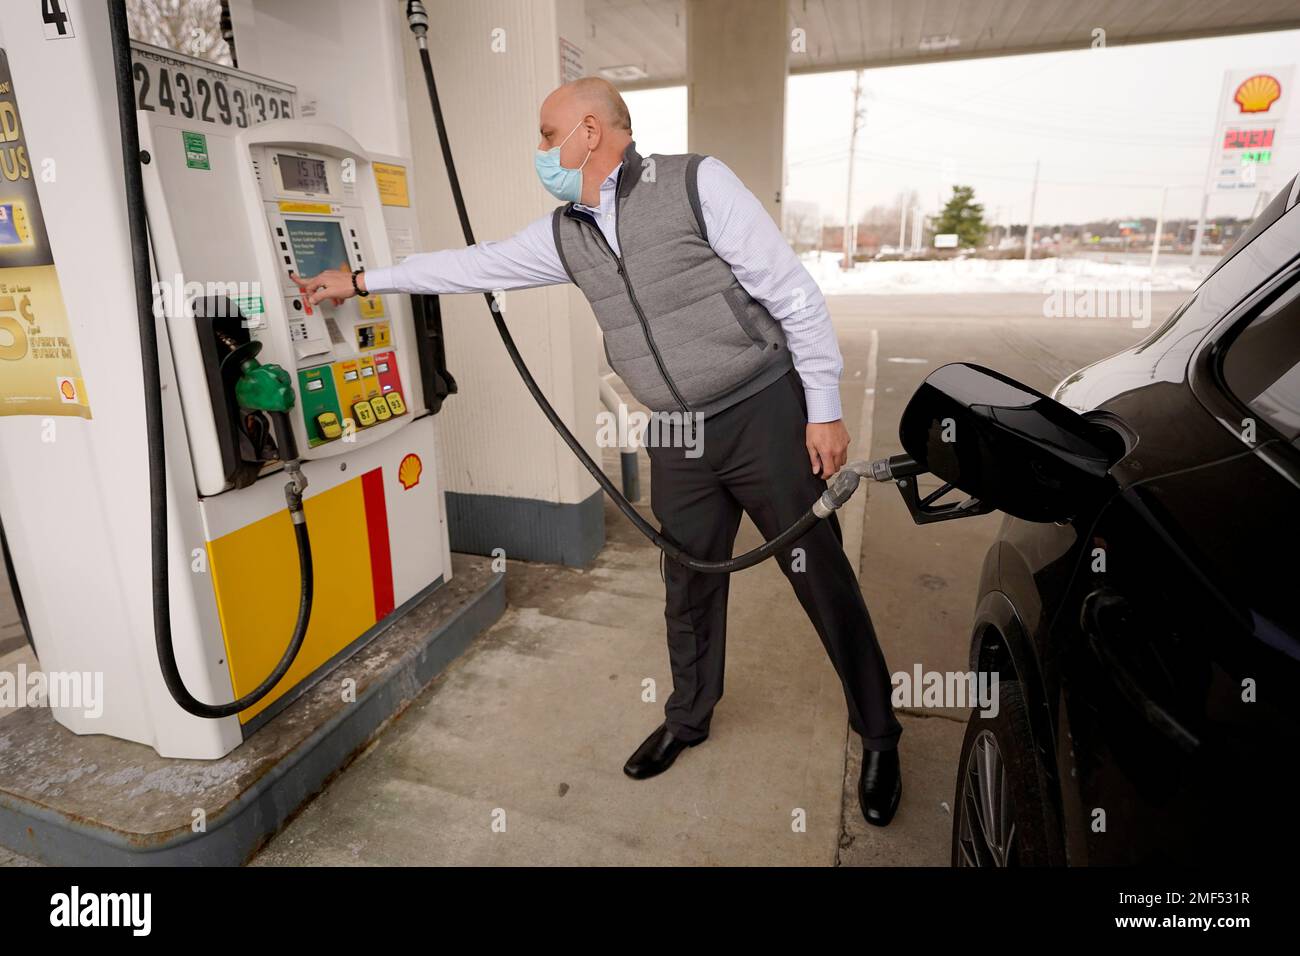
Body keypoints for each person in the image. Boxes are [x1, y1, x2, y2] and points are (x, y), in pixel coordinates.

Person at [295, 77, 903, 826]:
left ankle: (879, 732)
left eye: (547, 136)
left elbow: (793, 295)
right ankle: (688, 719)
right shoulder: (565, 233)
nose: (541, 151)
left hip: (761, 410)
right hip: (676, 433)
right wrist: (358, 280)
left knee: (819, 573)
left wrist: (824, 409)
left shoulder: (695, 183)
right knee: (687, 584)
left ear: (589, 131)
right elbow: (472, 265)